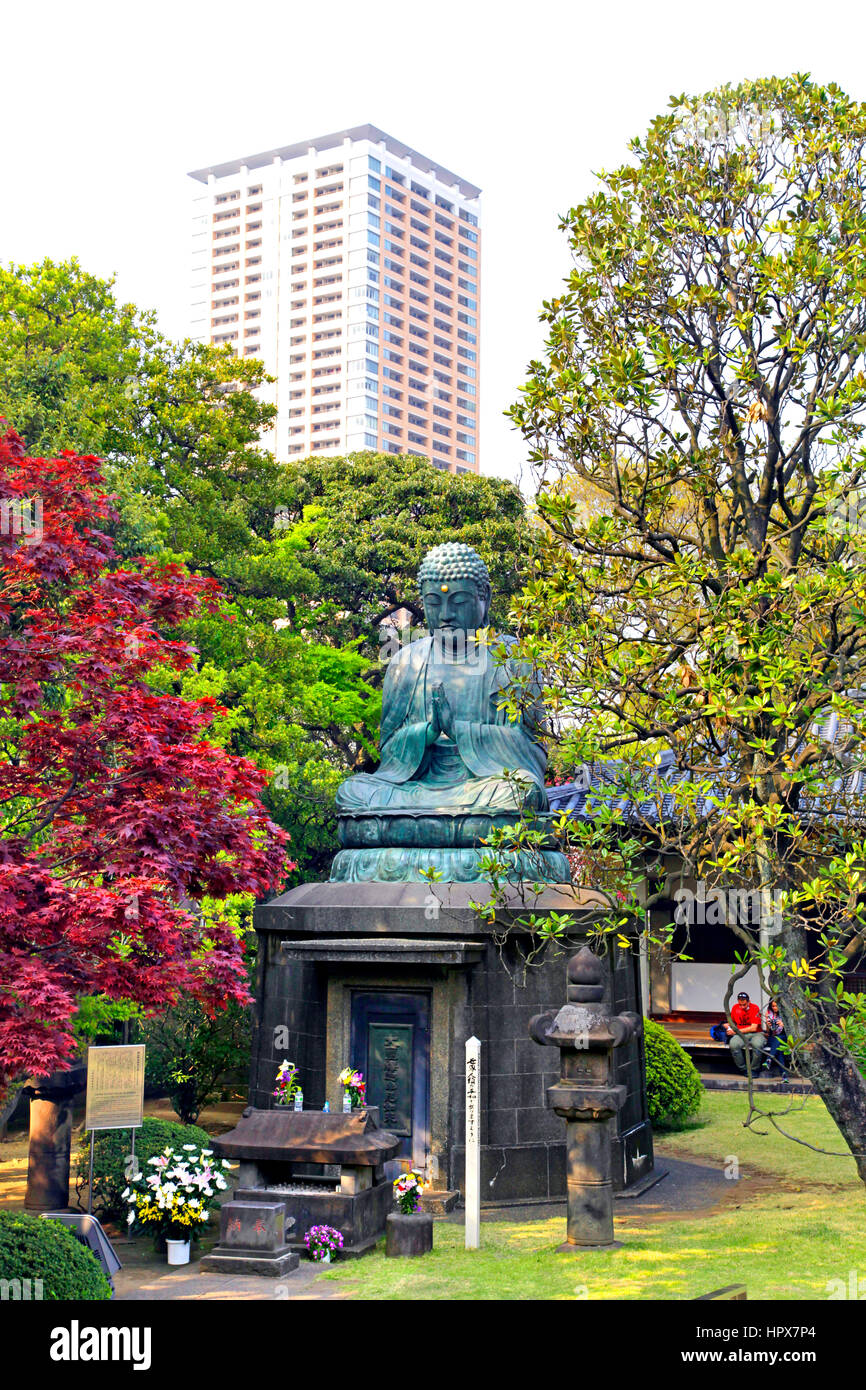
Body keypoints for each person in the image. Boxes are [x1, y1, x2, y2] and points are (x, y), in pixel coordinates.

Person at [724, 991, 766, 1074]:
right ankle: (743, 1069)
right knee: (733, 1045)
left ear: (749, 1002)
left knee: (757, 1045)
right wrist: (727, 1026)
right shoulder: (735, 1008)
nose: (742, 1007)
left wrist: (735, 1031)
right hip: (740, 1033)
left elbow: (754, 1028)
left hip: (756, 1033)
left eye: (744, 1005)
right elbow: (733, 1022)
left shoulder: (755, 1008)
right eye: (740, 1005)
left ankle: (754, 1069)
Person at [762, 998, 788, 1075]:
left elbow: (791, 1031)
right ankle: (784, 1075)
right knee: (779, 1050)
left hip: (783, 1036)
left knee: (779, 1041)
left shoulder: (785, 1014)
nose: (775, 1008)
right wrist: (768, 1023)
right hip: (773, 1036)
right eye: (773, 1006)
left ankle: (769, 1059)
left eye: (776, 1006)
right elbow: (768, 1032)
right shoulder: (769, 1013)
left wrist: (783, 1025)